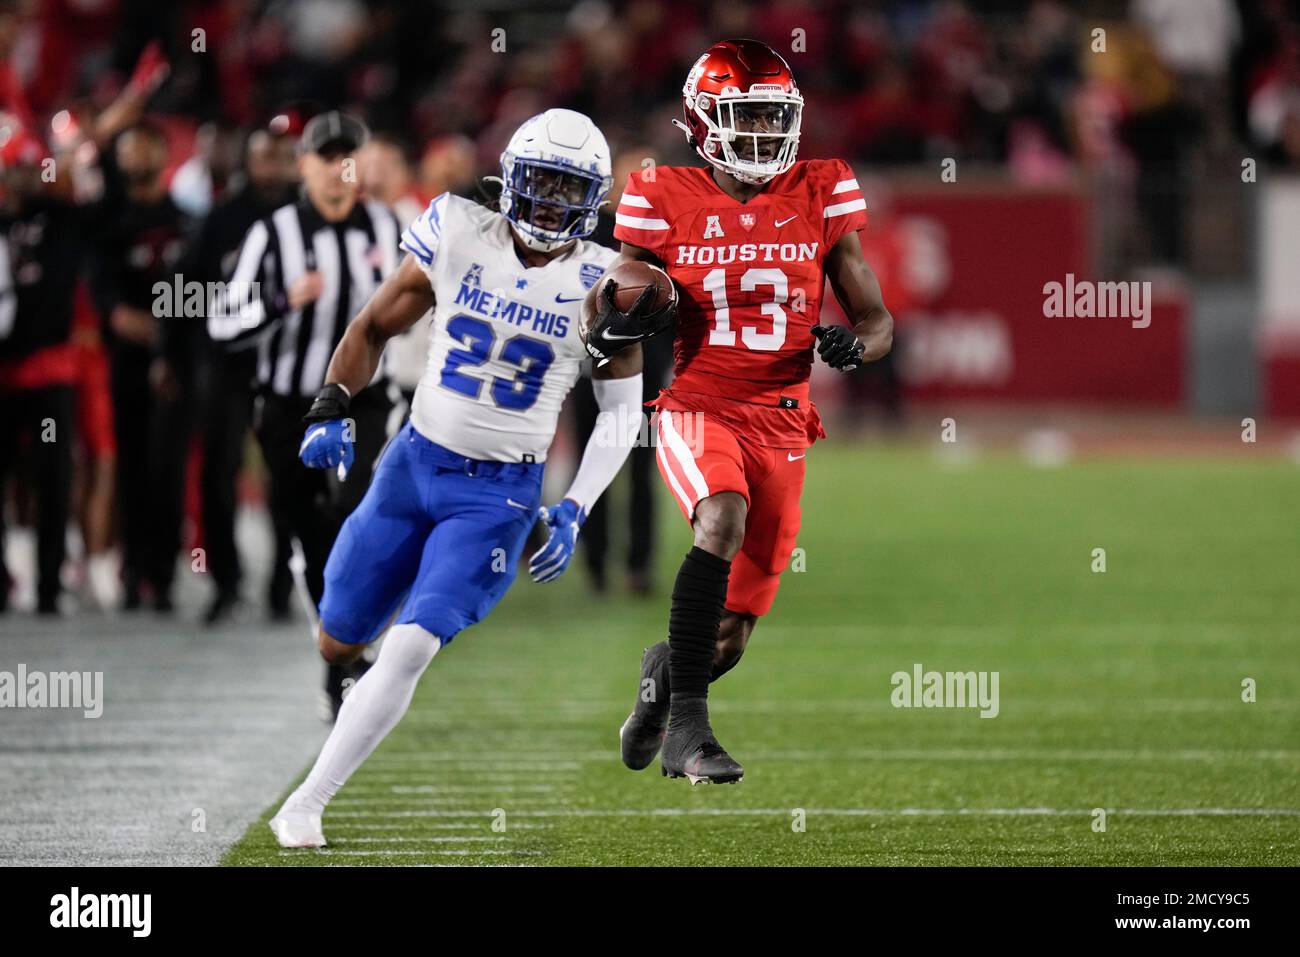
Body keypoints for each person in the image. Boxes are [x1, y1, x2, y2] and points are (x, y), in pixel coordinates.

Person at [268, 109, 652, 848]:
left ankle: (307, 802)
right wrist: (331, 404)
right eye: (536, 182)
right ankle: (335, 636)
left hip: (498, 496)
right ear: (508, 177)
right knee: (336, 639)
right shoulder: (456, 229)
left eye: (564, 188)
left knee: (413, 645)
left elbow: (620, 413)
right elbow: (374, 324)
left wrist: (574, 505)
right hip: (412, 465)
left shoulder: (608, 283)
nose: (545, 202)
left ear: (595, 197)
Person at [597, 39, 894, 784]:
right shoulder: (660, 194)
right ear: (703, 119)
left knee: (727, 636)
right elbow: (610, 301)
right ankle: (689, 734)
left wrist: (857, 346)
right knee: (719, 517)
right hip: (700, 406)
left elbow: (878, 318)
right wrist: (614, 329)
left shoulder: (821, 188)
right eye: (746, 115)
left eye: (773, 116)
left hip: (785, 420)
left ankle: (661, 681)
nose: (763, 133)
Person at [208, 111, 402, 714]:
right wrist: (277, 303)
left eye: (349, 158)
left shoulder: (389, 225)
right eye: (326, 157)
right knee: (310, 531)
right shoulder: (274, 233)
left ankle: (351, 654)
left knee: (350, 512)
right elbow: (221, 320)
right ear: (304, 166)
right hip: (288, 404)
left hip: (362, 400)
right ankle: (339, 659)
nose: (338, 170)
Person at [189, 122, 299, 625]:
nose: (272, 168)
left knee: (289, 476)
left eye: (281, 158)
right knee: (219, 473)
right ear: (249, 162)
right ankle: (226, 581)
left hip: (289, 367)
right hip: (231, 368)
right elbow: (188, 290)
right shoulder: (222, 219)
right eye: (264, 157)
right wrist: (178, 358)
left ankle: (282, 580)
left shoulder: (311, 217)